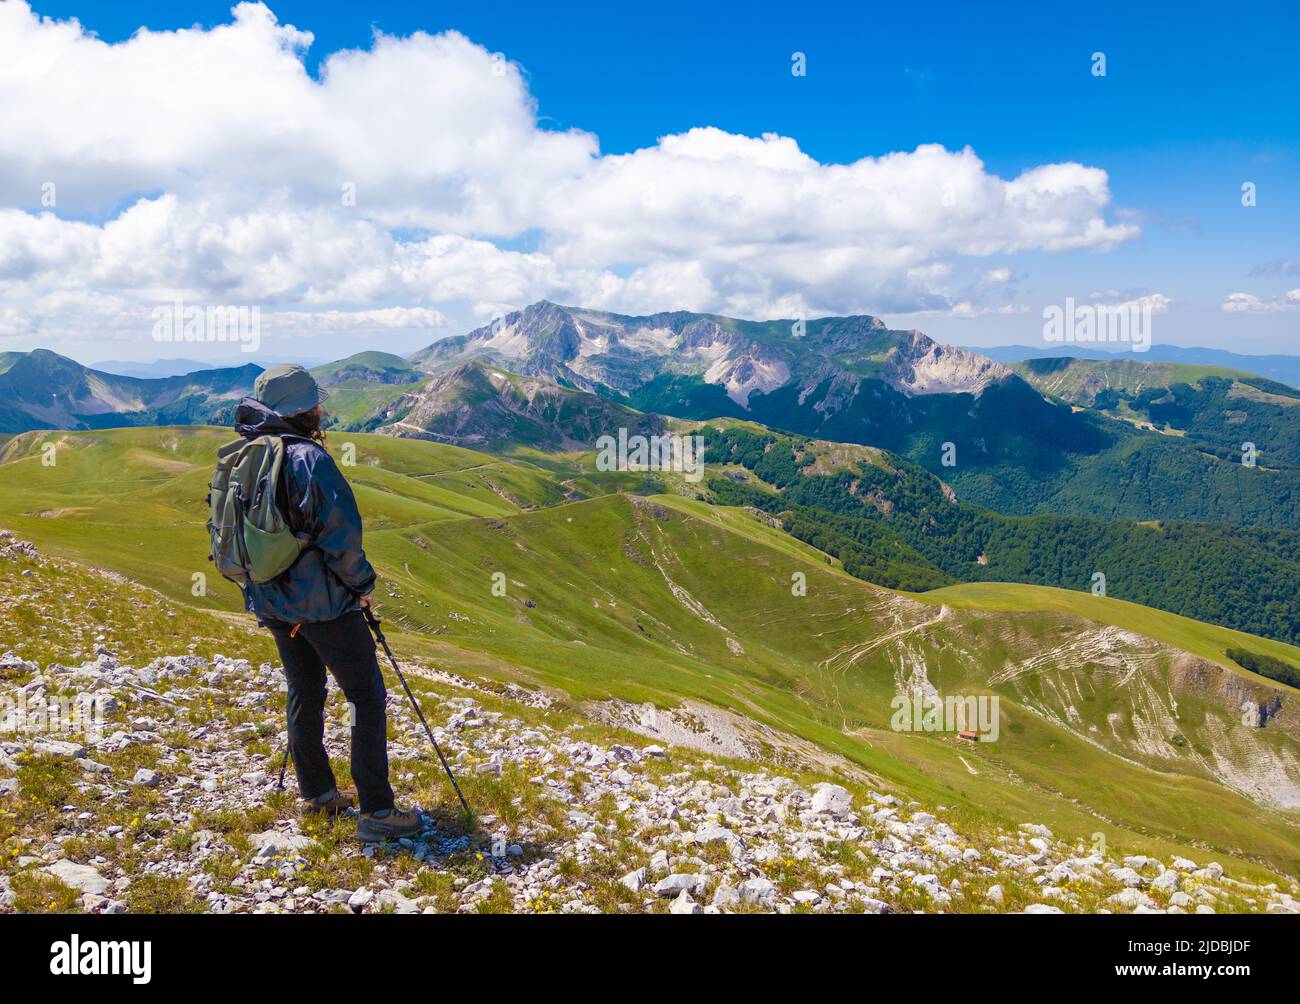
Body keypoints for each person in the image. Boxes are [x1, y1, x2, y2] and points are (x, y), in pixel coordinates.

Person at [232, 363, 422, 843]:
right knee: (365, 698)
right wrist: (361, 585)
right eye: (315, 401)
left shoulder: (246, 454)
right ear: (303, 408)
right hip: (322, 606)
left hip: (271, 600)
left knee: (305, 690)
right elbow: (341, 536)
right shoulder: (308, 459)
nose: (322, 408)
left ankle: (317, 794)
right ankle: (377, 810)